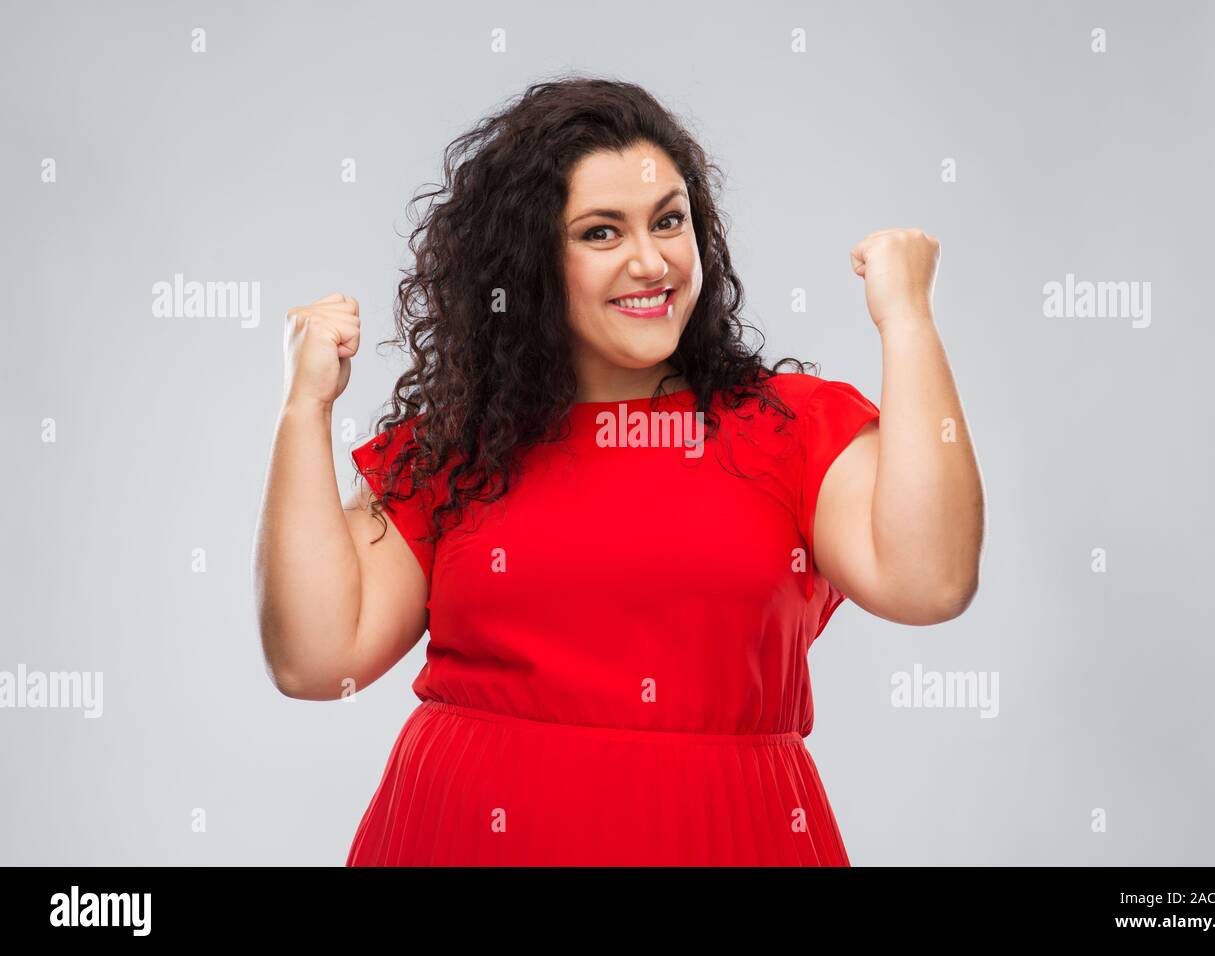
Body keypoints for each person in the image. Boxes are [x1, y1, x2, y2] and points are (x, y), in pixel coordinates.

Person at [252, 76, 984, 866]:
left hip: (730, 836)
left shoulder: (790, 428)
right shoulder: (456, 449)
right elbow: (315, 661)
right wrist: (305, 409)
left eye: (669, 221)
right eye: (601, 233)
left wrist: (906, 318)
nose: (650, 261)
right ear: (528, 260)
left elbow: (930, 580)